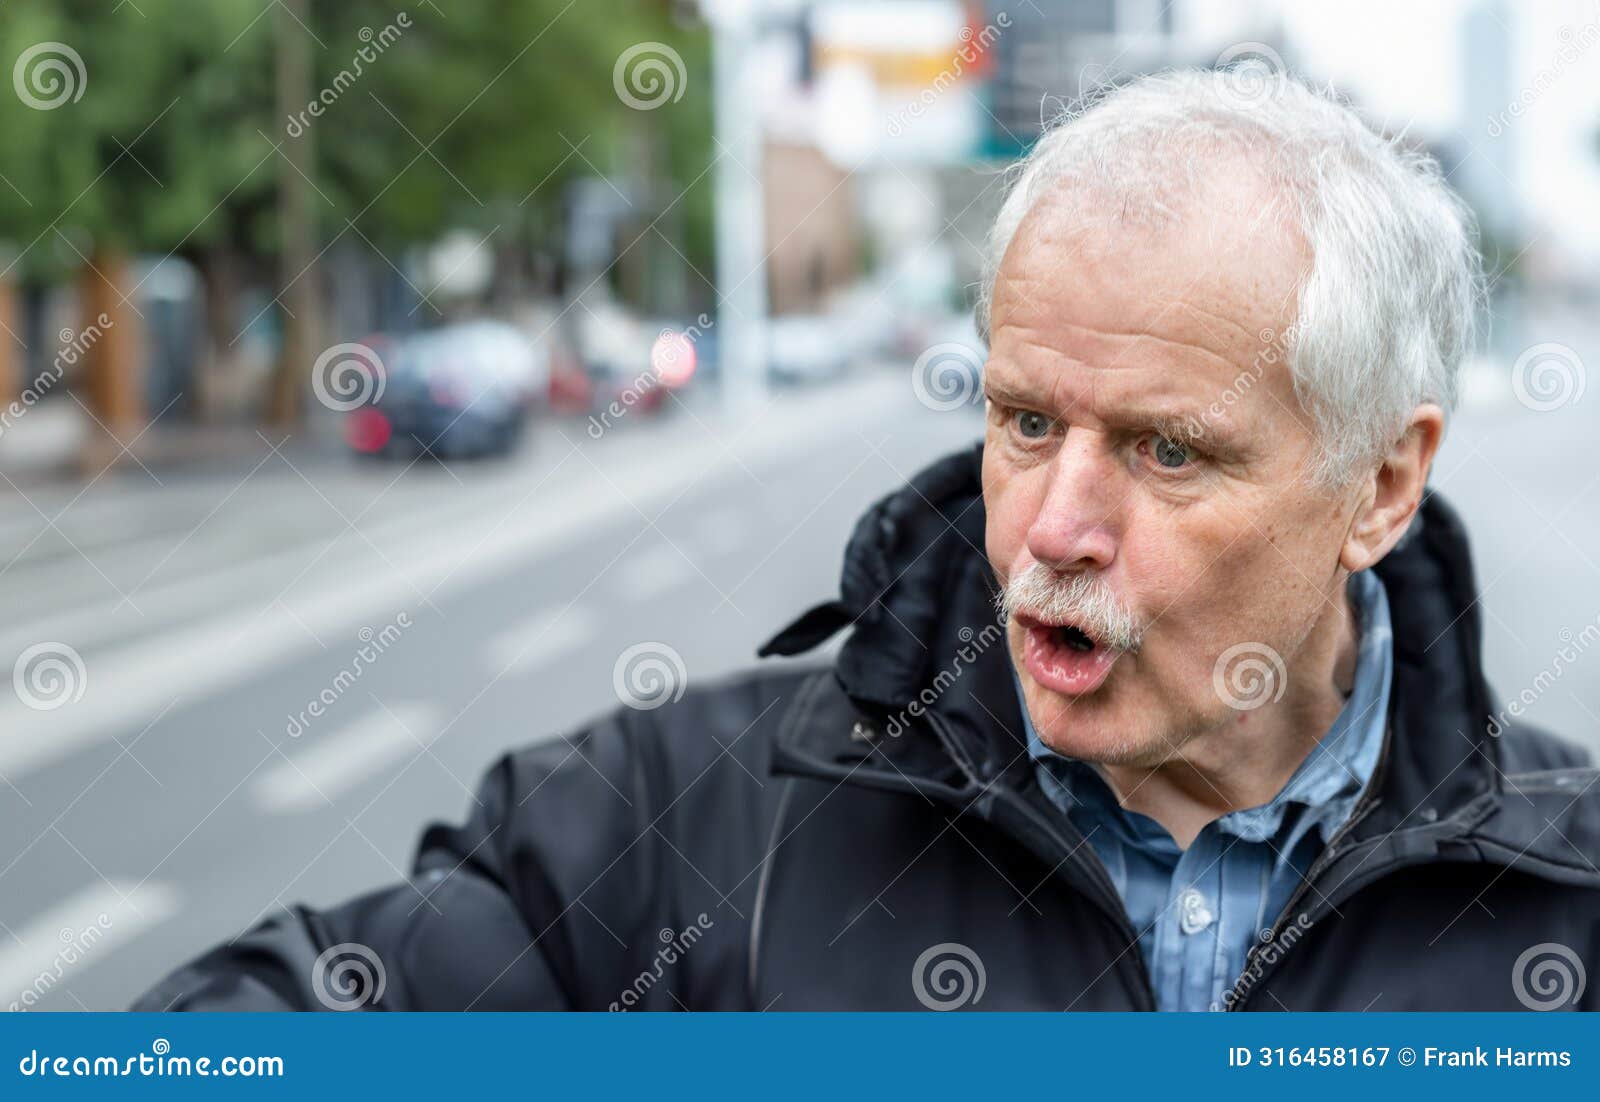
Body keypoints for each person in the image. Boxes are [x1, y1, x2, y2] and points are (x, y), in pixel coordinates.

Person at [137, 69, 1598, 1013]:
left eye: (1168, 450)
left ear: (1382, 483)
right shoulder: (688, 821)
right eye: (1026, 422)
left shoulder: (1565, 902)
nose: (1056, 526)